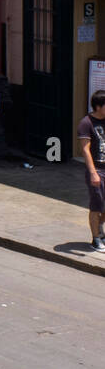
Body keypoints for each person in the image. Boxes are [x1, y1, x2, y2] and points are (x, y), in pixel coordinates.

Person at [76, 91, 105, 252]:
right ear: (98, 106)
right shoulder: (86, 123)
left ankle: (100, 228)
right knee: (96, 205)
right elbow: (85, 150)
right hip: (97, 169)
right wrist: (93, 172)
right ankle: (95, 239)